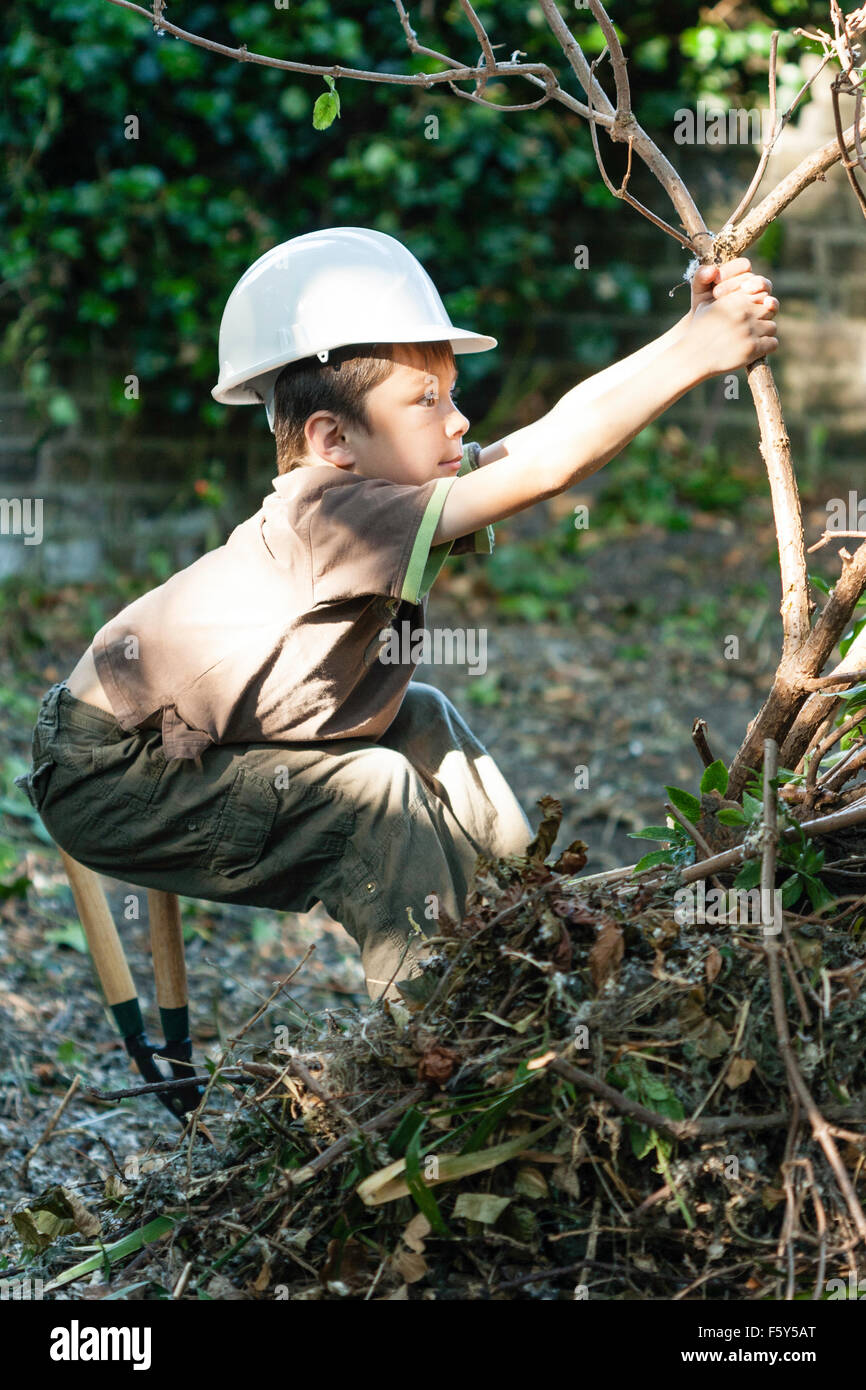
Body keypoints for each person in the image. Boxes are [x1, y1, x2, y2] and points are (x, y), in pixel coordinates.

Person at [14, 227, 779, 1001]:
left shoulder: (373, 498)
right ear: (333, 439)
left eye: (452, 395)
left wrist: (686, 335)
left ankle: (535, 921)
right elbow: (551, 468)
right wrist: (701, 354)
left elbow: (543, 438)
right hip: (109, 774)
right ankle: (432, 1032)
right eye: (426, 401)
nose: (458, 422)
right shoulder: (338, 516)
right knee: (374, 796)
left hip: (166, 744)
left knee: (421, 717)